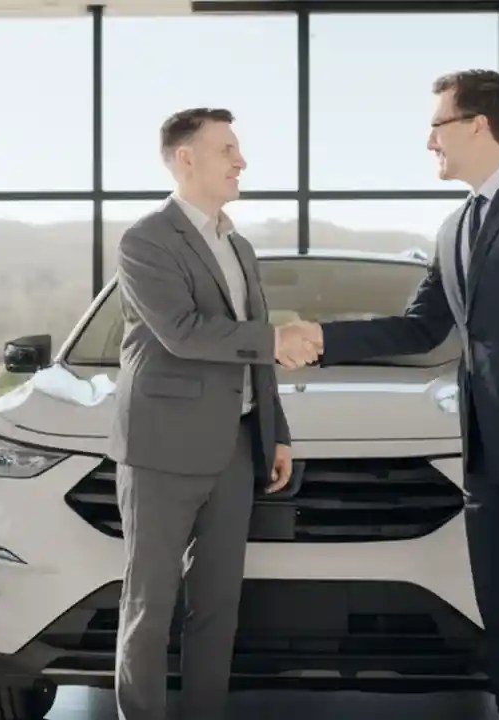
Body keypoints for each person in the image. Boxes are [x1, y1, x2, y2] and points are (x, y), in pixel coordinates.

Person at [281, 70, 499, 719]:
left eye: (437, 125)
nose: (429, 141)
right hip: (482, 459)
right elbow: (418, 328)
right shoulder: (454, 227)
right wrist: (319, 336)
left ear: (475, 124)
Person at [110, 107, 319, 720]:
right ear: (186, 158)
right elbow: (181, 331)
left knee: (218, 603)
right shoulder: (146, 240)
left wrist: (275, 433)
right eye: (227, 149)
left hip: (235, 446)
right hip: (162, 448)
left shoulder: (239, 244)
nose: (241, 162)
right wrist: (275, 339)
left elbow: (255, 352)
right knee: (149, 602)